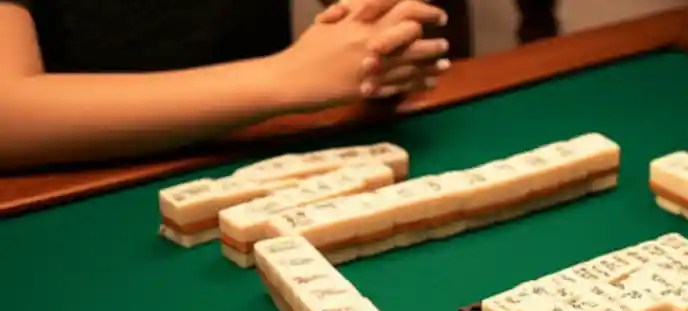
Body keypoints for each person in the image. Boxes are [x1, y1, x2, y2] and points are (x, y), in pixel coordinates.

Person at [0, 0, 452, 171]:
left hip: (267, 154)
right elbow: (8, 113)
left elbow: (376, 20)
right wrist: (287, 77)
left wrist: (380, 26)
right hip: (77, 188)